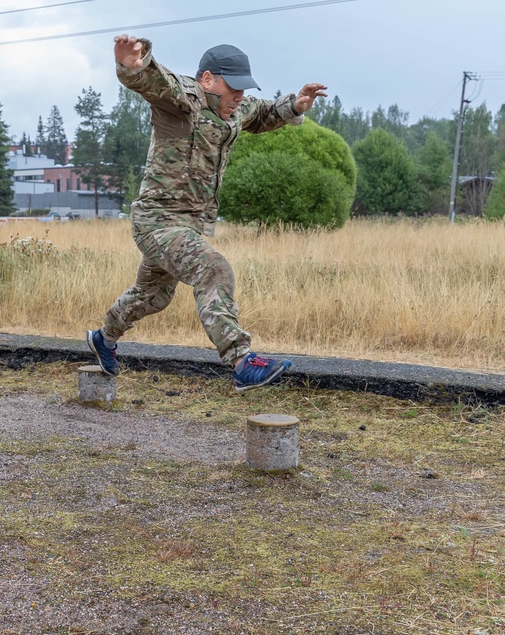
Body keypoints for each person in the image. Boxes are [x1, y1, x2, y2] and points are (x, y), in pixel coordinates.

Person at [87, 34, 327, 391]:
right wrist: (133, 66)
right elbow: (156, 82)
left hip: (188, 226)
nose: (239, 97)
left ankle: (103, 338)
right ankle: (243, 360)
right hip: (157, 221)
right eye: (234, 89)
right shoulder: (186, 98)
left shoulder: (235, 107)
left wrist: (295, 105)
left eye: (244, 90)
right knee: (214, 269)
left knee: (153, 295)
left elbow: (261, 113)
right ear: (208, 79)